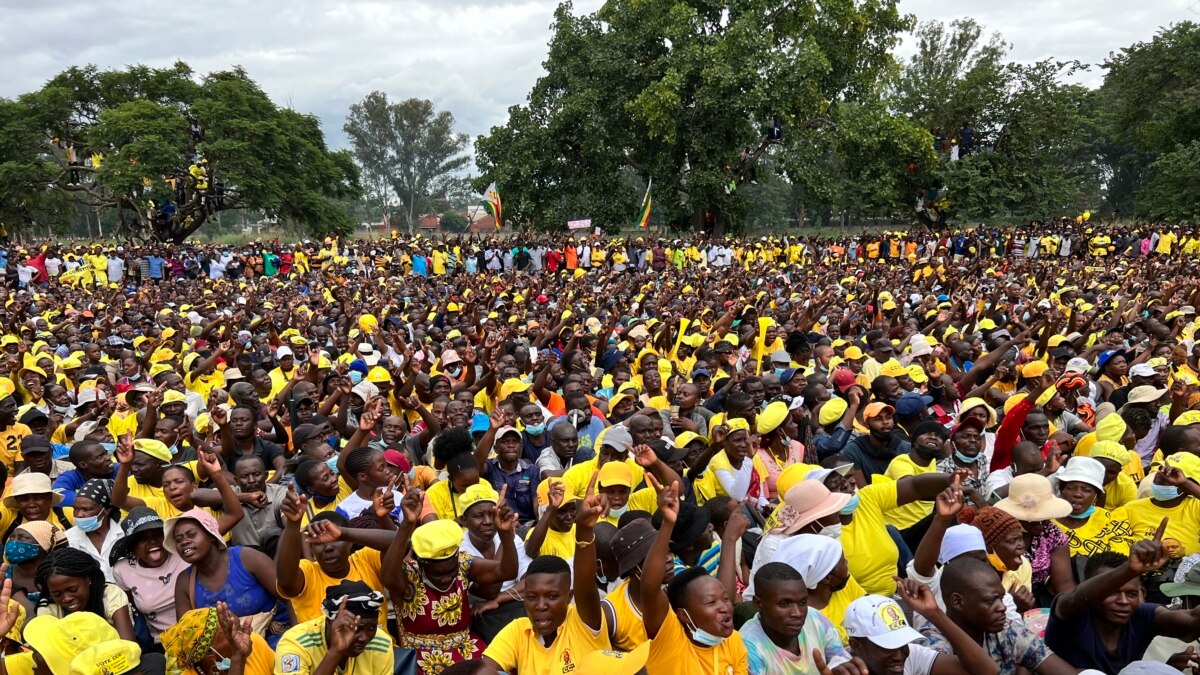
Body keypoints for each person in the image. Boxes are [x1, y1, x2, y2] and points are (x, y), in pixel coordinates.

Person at [482, 474, 610, 674]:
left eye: (552, 596)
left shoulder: (583, 621)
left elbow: (585, 586)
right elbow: (486, 668)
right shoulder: (519, 631)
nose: (540, 606)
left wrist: (584, 528)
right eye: (532, 597)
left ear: (569, 597)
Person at [384, 485, 519, 671]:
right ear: (422, 564)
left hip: (468, 649)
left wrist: (505, 535)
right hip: (422, 661)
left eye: (451, 571)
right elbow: (387, 577)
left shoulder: (464, 563)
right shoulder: (409, 575)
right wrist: (407, 525)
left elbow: (507, 572)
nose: (446, 578)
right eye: (438, 574)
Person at [1046, 519, 1200, 672]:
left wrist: (1168, 668)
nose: (1123, 601)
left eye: (1132, 594)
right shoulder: (1070, 614)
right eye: (1111, 593)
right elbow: (1075, 598)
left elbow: (1193, 619)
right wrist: (1129, 570)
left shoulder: (1142, 615)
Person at [640, 475, 749, 675]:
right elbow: (649, 589)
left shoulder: (733, 641)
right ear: (683, 615)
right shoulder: (669, 637)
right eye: (711, 603)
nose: (725, 607)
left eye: (725, 599)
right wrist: (667, 524)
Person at [920, 556, 1077, 675]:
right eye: (990, 601)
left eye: (1001, 598)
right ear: (958, 602)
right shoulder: (932, 643)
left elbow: (1061, 670)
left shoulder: (1007, 629)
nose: (1002, 607)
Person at [168, 508, 287, 647]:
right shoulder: (185, 581)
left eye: (192, 534)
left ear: (211, 535)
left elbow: (289, 595)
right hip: (225, 649)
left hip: (275, 634)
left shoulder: (246, 557)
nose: (184, 542)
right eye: (178, 539)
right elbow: (188, 633)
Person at [740, 562, 853, 674]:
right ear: (758, 603)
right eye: (784, 604)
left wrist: (841, 669)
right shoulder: (748, 646)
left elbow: (839, 659)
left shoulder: (815, 619)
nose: (798, 613)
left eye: (803, 602)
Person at [272, 581, 394, 675]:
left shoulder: (381, 643)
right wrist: (335, 651)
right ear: (331, 621)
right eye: (355, 628)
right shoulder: (295, 643)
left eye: (371, 628)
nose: (364, 638)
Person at [110, 506, 192, 643]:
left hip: (201, 630)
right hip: (162, 642)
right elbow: (133, 607)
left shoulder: (183, 555)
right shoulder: (122, 570)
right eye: (142, 538)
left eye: (158, 534)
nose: (152, 541)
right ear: (132, 547)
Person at [34, 546, 138, 640]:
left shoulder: (110, 594)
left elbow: (128, 642)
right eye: (57, 594)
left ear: (88, 579)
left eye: (73, 590)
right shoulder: (48, 607)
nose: (66, 598)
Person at [163, 602, 275, 675]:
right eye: (234, 634)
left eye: (239, 627)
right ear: (210, 654)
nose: (244, 636)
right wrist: (237, 659)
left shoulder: (254, 642)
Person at [64, 478, 123, 582]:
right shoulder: (68, 538)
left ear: (106, 511)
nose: (79, 515)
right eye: (76, 509)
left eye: (87, 509)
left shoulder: (125, 532)